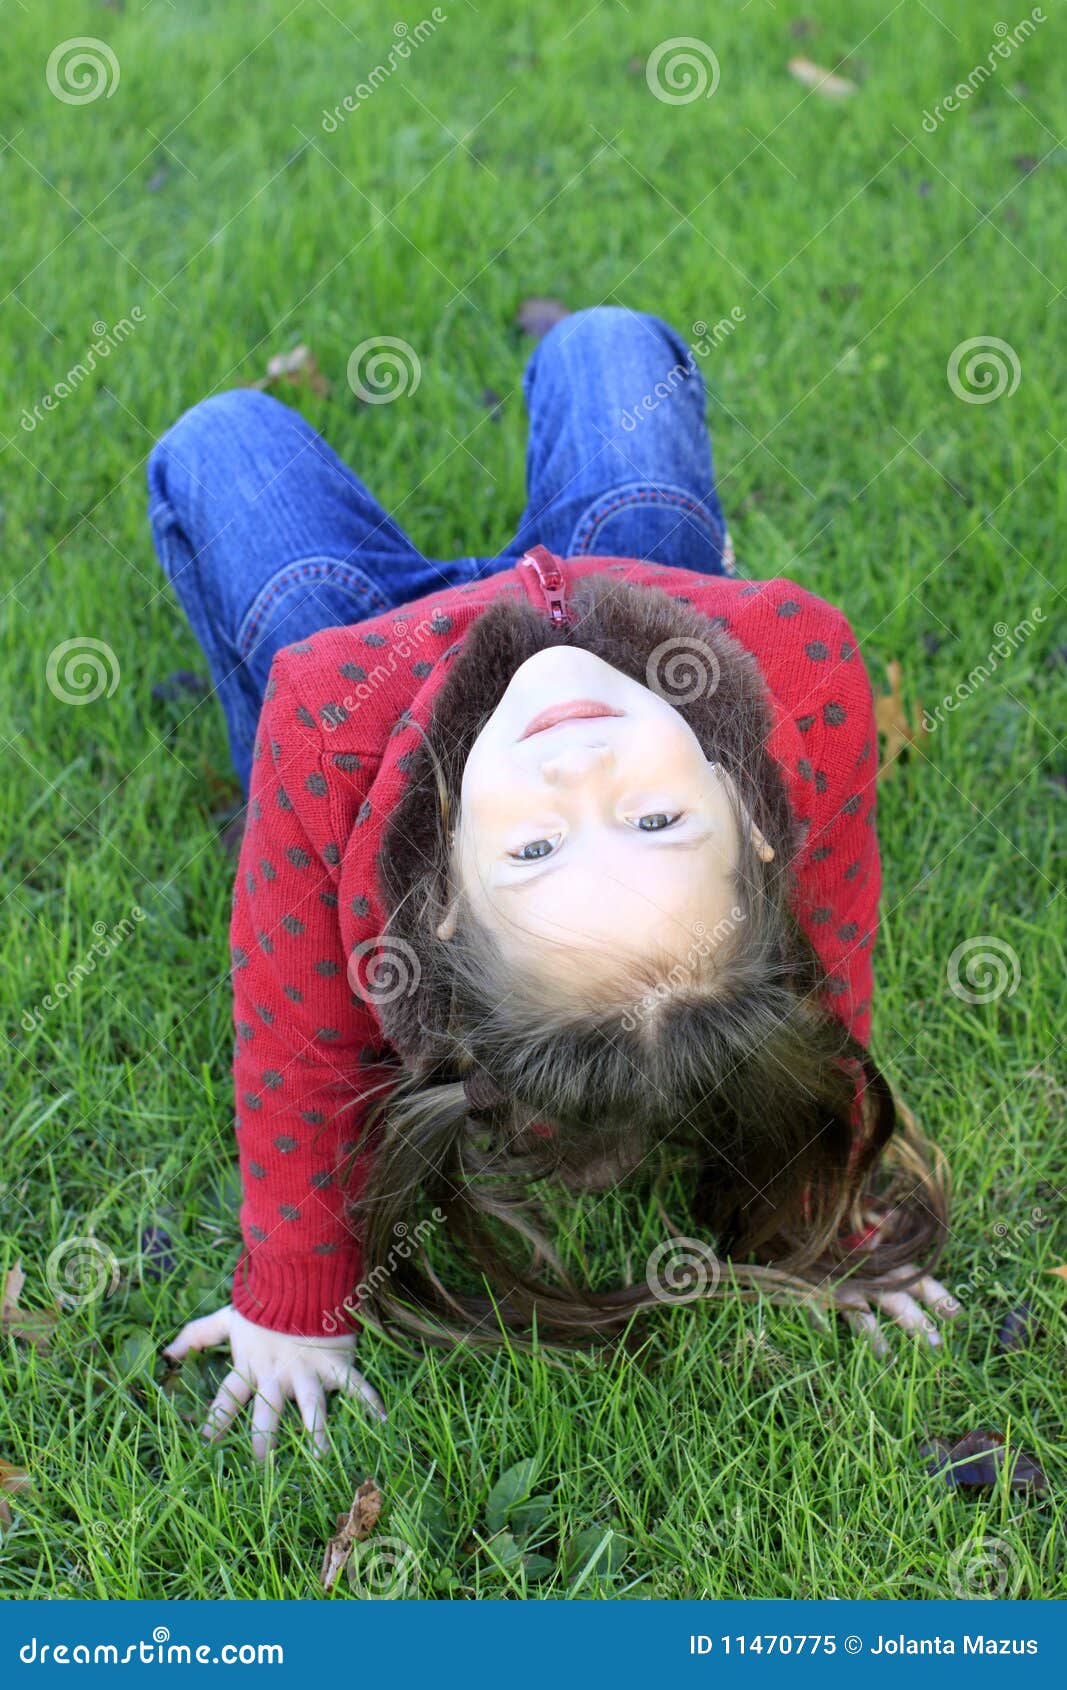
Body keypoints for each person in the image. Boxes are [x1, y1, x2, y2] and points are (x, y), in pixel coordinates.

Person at [150, 307, 955, 1462]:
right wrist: (826, 1213)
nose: (578, 769)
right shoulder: (789, 666)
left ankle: (271, 803)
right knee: (609, 344)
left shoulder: (327, 716)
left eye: (531, 850)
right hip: (642, 604)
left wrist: (299, 1294)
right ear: (746, 818)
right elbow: (823, 960)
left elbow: (301, 1041)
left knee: (218, 437)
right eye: (655, 818)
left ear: (438, 895)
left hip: (372, 647)